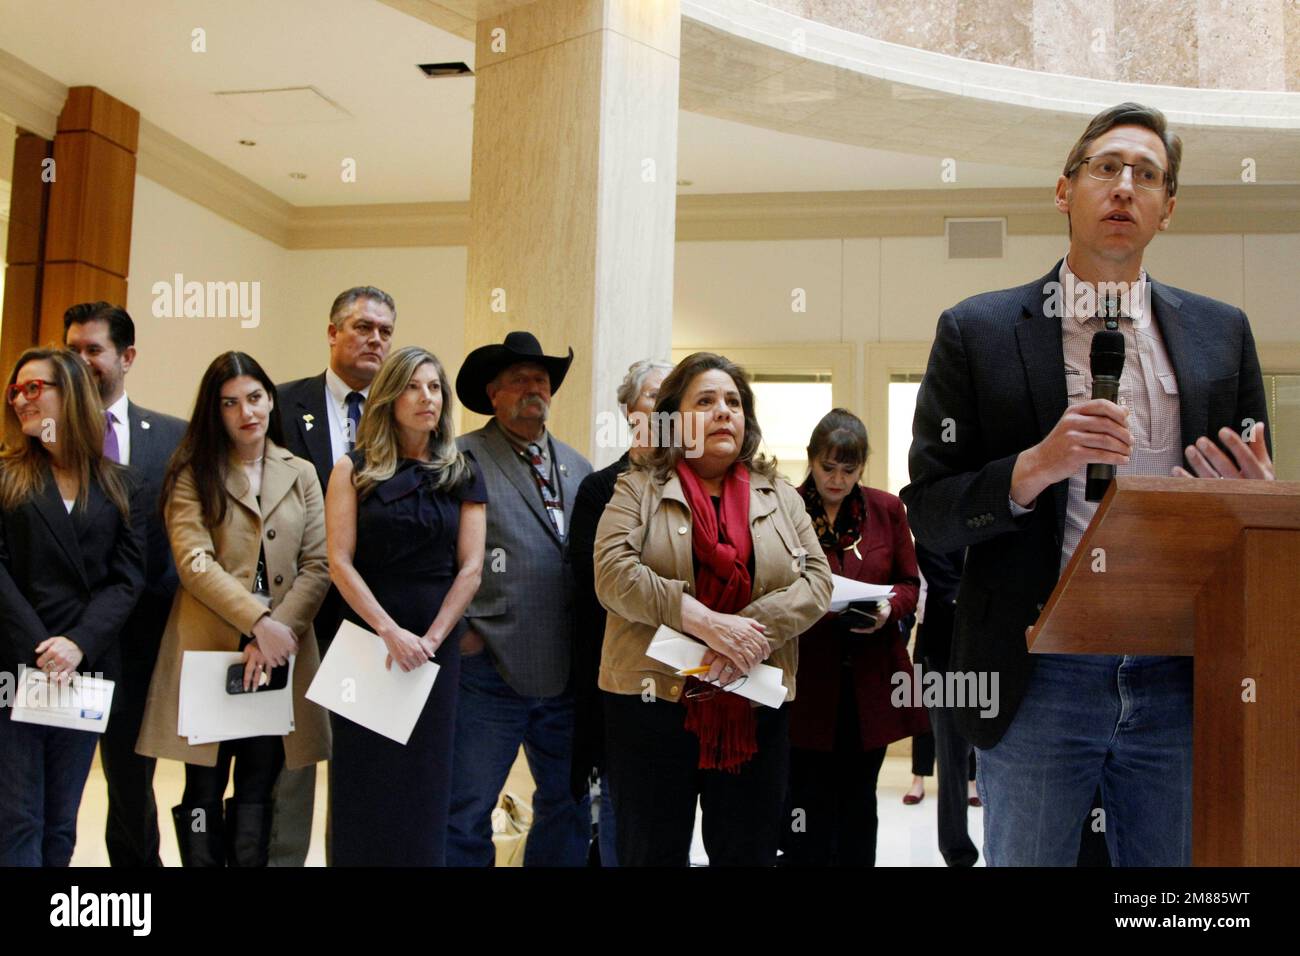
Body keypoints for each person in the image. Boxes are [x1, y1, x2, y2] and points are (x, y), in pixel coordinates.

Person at [901, 102, 1273, 867]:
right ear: (1064, 190)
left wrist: (1259, 498)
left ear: (1168, 209)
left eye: (1147, 175)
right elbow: (932, 514)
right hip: (1039, 671)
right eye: (1106, 167)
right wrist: (1032, 468)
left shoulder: (1220, 331)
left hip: (1178, 671)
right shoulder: (979, 329)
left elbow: (1250, 509)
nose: (1125, 187)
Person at [594, 351, 832, 867]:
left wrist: (748, 637)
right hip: (651, 703)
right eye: (705, 400)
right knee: (650, 853)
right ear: (674, 420)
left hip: (753, 697)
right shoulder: (637, 486)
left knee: (747, 851)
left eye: (733, 401)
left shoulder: (781, 495)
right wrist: (704, 621)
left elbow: (818, 582)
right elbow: (612, 575)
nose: (724, 410)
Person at [137, 352, 331, 867]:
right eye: (230, 403)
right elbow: (193, 561)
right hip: (209, 648)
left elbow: (319, 565)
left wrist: (278, 632)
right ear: (215, 411)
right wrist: (258, 623)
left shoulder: (302, 472)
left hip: (278, 652)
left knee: (258, 783)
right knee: (202, 785)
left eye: (255, 397)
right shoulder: (191, 470)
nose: (247, 411)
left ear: (270, 399)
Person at [325, 346, 486, 865]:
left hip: (435, 645)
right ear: (391, 395)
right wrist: (389, 631)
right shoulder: (353, 468)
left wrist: (433, 640)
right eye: (415, 386)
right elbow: (339, 562)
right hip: (369, 639)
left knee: (424, 783)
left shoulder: (462, 470)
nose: (427, 398)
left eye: (435, 387)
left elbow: (471, 568)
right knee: (364, 781)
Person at [447, 331, 594, 867]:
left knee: (567, 802)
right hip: (489, 671)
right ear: (493, 394)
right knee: (466, 809)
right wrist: (464, 631)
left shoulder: (579, 468)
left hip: (565, 674)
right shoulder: (460, 459)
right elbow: (440, 553)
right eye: (519, 380)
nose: (535, 389)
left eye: (542, 380)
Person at [0, 348, 145, 866]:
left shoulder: (120, 484)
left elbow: (127, 580)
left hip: (83, 670)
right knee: (17, 819)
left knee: (61, 822)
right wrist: (44, 646)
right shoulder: (6, 477)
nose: (21, 398)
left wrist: (78, 644)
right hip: (16, 667)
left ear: (72, 393)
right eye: (16, 390)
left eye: (34, 387)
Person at [274, 285, 396, 865]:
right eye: (363, 327)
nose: (376, 339)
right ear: (332, 333)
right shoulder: (280, 404)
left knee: (360, 760)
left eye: (385, 331)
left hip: (373, 613)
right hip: (300, 611)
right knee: (294, 759)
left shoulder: (403, 412)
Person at [64, 301, 186, 868]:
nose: (81, 361)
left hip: (142, 640)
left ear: (126, 357)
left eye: (94, 350)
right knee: (52, 781)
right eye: (72, 350)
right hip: (59, 639)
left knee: (132, 781)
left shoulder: (173, 438)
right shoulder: (41, 436)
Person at [782, 408, 926, 866]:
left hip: (870, 682)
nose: (837, 480)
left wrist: (888, 609)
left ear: (862, 466)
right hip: (806, 682)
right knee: (806, 802)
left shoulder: (886, 510)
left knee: (860, 802)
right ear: (811, 460)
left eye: (849, 469)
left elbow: (909, 582)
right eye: (828, 468)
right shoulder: (785, 507)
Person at [566, 357, 672, 867]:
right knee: (620, 803)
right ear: (631, 411)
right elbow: (594, 586)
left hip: (687, 673)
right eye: (655, 396)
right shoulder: (599, 489)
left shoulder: (693, 486)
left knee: (671, 809)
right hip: (621, 673)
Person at [912, 542, 980, 866]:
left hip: (998, 653)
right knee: (951, 754)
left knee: (1000, 753)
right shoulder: (938, 517)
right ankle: (958, 854)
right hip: (945, 651)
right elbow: (945, 586)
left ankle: (1006, 847)